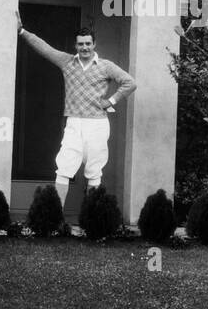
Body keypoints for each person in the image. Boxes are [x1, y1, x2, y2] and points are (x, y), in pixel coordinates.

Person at [16, 11, 136, 214]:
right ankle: (55, 217)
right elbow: (45, 48)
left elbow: (130, 83)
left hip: (97, 124)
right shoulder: (67, 62)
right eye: (80, 44)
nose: (84, 48)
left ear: (94, 44)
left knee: (94, 171)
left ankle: (91, 218)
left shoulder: (106, 66)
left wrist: (111, 101)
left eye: (88, 44)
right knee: (63, 168)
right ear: (75, 45)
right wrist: (22, 31)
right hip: (74, 123)